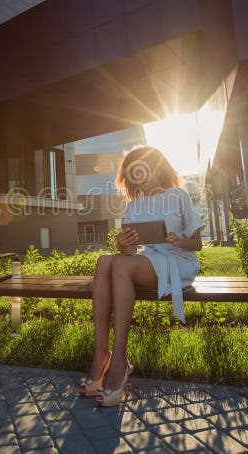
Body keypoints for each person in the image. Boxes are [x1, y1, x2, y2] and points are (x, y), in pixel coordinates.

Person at [79, 145, 205, 406]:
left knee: (122, 266)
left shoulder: (178, 195)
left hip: (179, 261)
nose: (140, 176)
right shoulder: (135, 204)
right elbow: (129, 252)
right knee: (105, 261)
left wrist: (178, 240)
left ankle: (119, 362)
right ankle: (101, 353)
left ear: (158, 168)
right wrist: (122, 244)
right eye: (134, 172)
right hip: (150, 261)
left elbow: (197, 244)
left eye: (145, 170)